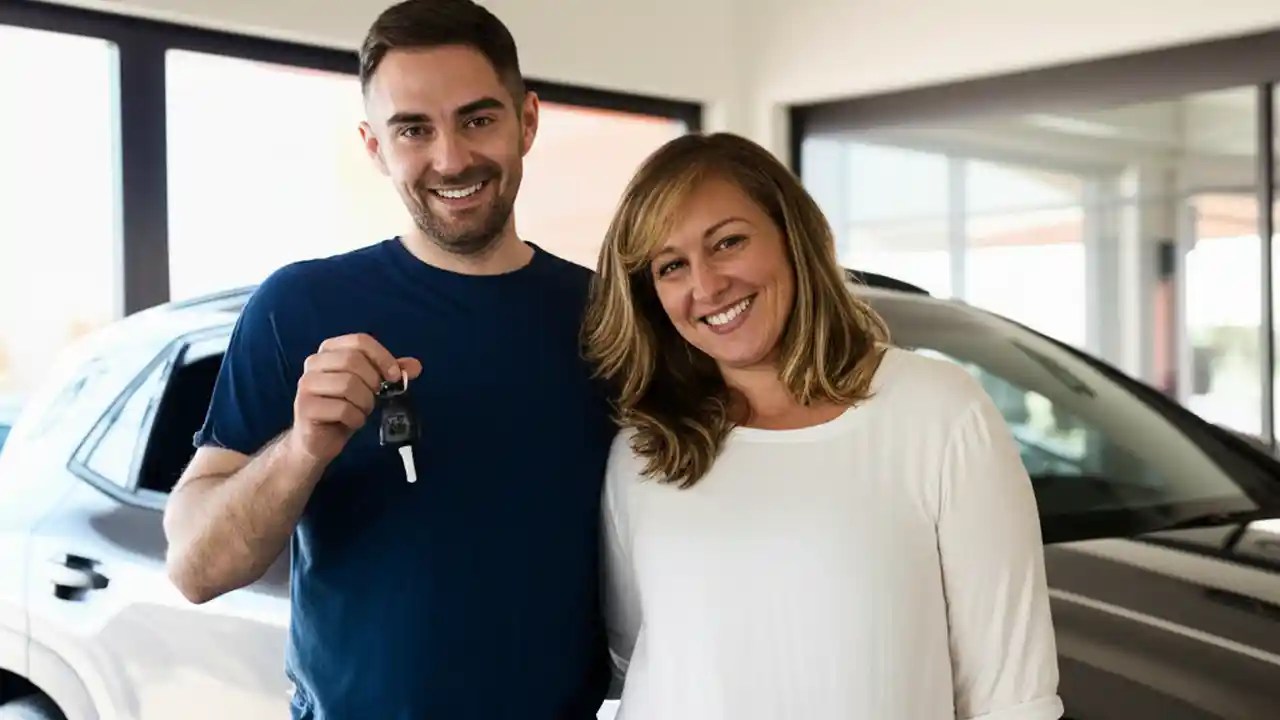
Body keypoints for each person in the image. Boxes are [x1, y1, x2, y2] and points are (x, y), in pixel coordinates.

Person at [162, 1, 616, 718]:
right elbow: (194, 568)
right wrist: (304, 448)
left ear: (527, 121)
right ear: (375, 146)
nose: (451, 158)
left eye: (478, 119)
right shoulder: (300, 306)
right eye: (414, 129)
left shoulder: (607, 318)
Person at [582, 132, 1065, 720]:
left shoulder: (939, 413)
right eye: (672, 266)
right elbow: (636, 658)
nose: (706, 287)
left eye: (728, 242)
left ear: (793, 236)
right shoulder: (644, 451)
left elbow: (1013, 698)